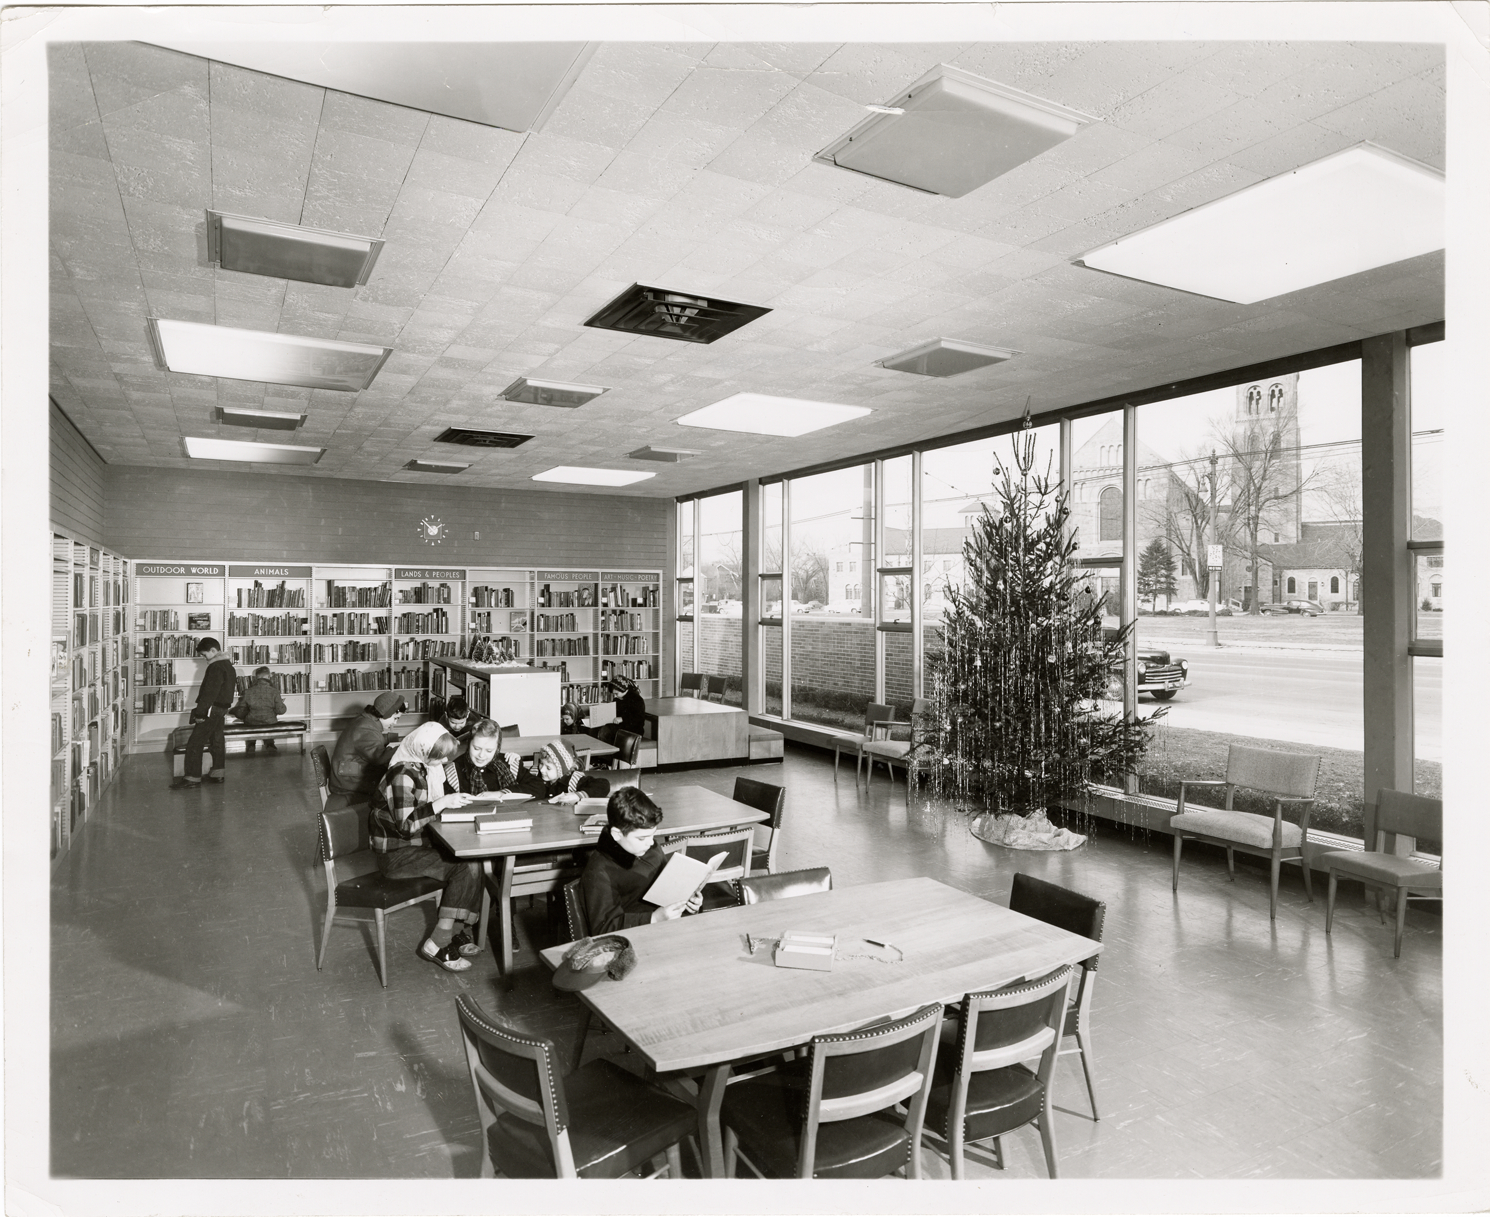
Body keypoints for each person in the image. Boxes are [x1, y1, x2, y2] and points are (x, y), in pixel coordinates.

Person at [369, 722, 482, 972]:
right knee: (466, 867)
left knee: (474, 858)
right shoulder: (401, 775)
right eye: (439, 758)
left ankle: (454, 931)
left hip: (412, 847)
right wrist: (440, 804)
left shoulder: (419, 767)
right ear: (424, 751)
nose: (442, 763)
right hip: (396, 856)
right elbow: (406, 826)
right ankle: (439, 943)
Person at [579, 787, 701, 934]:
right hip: (635, 939)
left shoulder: (648, 847)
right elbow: (604, 928)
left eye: (653, 835)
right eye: (642, 838)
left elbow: (668, 886)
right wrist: (654, 918)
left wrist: (688, 901)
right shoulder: (598, 872)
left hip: (668, 928)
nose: (650, 843)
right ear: (617, 834)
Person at [173, 637, 236, 788]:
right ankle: (217, 774)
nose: (203, 658)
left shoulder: (215, 667)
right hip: (221, 709)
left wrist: (200, 713)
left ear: (213, 651)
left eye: (204, 654)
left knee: (195, 743)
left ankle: (192, 779)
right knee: (217, 741)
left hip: (211, 709)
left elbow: (209, 693)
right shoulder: (228, 665)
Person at [327, 691, 405, 810]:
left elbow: (370, 740)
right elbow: (379, 758)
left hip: (347, 773)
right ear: (387, 714)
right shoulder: (366, 727)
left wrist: (392, 738)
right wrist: (405, 746)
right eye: (395, 718)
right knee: (397, 784)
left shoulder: (366, 720)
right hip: (348, 782)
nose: (395, 723)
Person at [516, 739, 610, 803]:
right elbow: (517, 779)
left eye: (548, 768)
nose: (542, 769)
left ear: (562, 770)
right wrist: (516, 761)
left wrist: (578, 795)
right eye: (541, 763)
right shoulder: (535, 772)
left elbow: (603, 785)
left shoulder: (573, 779)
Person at [452, 718, 522, 796]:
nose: (481, 755)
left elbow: (537, 786)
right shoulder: (454, 771)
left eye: (489, 751)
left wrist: (501, 793)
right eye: (476, 748)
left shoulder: (508, 762)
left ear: (497, 749)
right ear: (469, 744)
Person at [231, 665, 286, 751]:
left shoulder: (248, 692)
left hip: (252, 722)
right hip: (270, 722)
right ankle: (270, 744)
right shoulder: (274, 691)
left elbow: (241, 710)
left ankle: (251, 744)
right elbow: (281, 711)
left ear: (256, 678)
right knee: (268, 721)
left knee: (250, 722)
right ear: (268, 676)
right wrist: (280, 704)